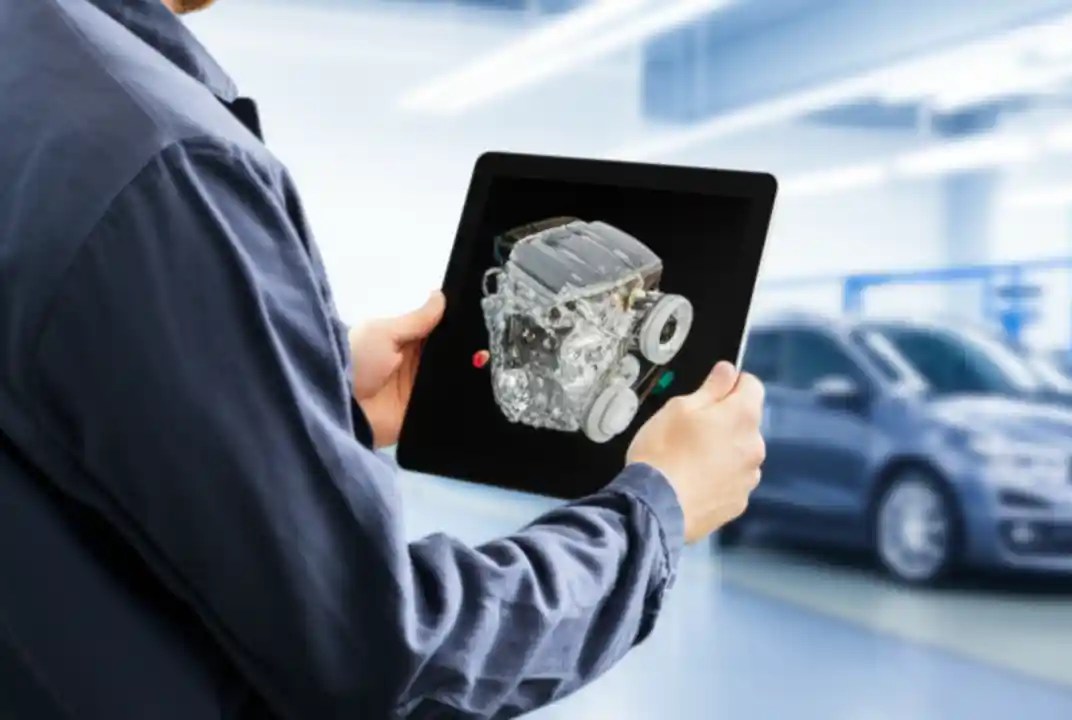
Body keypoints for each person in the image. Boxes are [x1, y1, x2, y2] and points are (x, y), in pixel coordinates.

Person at [0, 1, 766, 718]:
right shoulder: (167, 158)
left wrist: (302, 399)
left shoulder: (34, 74)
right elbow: (382, 653)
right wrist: (656, 513)